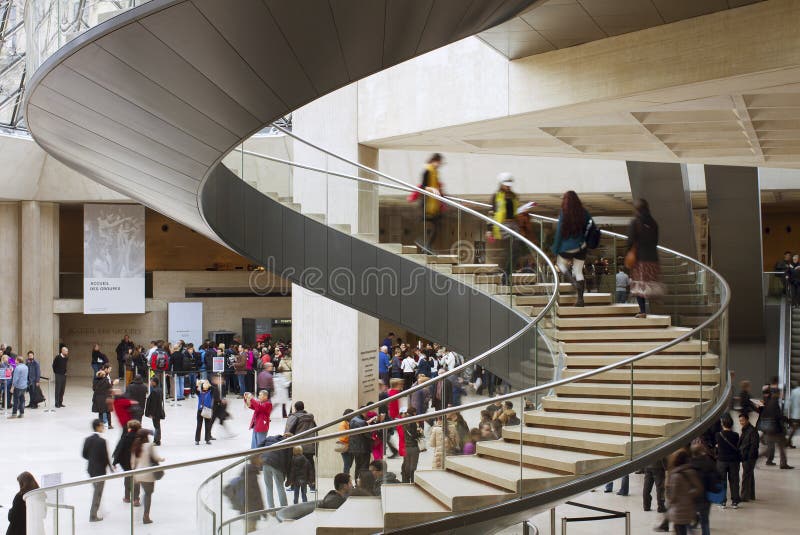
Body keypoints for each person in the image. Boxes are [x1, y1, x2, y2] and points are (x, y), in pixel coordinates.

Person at [551, 191, 591, 307]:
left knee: (560, 263)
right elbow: (590, 226)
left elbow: (559, 233)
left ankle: (573, 282)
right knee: (578, 271)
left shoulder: (564, 213)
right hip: (581, 246)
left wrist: (555, 248)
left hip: (568, 247)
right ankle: (580, 300)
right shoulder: (584, 212)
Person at [626, 199, 664, 318]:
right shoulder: (653, 223)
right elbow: (655, 241)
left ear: (636, 209)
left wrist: (629, 253)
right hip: (653, 258)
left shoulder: (635, 222)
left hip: (640, 259)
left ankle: (642, 311)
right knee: (651, 282)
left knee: (639, 285)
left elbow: (630, 241)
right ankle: (655, 297)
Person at [667, 449, 703, 535]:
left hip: (678, 511)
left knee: (680, 530)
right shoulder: (691, 472)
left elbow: (673, 497)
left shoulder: (675, 476)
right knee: (686, 529)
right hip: (689, 508)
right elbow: (699, 488)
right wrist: (689, 495)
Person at [82, 419, 113, 522]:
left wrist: (92, 459)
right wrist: (110, 467)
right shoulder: (102, 441)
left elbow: (84, 454)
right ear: (98, 427)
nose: (103, 428)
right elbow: (105, 457)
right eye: (102, 426)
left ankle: (97, 510)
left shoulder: (87, 439)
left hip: (91, 469)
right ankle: (93, 515)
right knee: (97, 492)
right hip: (100, 471)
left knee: (97, 491)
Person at [131, 428, 164, 524]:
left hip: (138, 473)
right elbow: (156, 457)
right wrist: (162, 459)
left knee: (144, 492)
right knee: (148, 494)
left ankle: (136, 499)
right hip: (148, 474)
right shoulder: (149, 446)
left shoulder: (135, 446)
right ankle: (146, 516)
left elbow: (133, 463)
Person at [415, 153, 444, 254]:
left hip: (434, 205)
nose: (439, 165)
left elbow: (439, 190)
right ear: (434, 161)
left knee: (437, 225)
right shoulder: (427, 171)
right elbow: (422, 187)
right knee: (427, 224)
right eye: (439, 162)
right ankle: (423, 243)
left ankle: (427, 246)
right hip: (426, 204)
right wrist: (431, 189)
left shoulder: (435, 173)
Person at [761, 386, 793, 469]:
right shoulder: (774, 402)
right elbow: (778, 416)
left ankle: (768, 460)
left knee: (770, 447)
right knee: (782, 446)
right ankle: (783, 464)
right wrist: (788, 420)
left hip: (769, 428)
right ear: (777, 394)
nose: (780, 394)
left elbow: (764, 414)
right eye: (779, 393)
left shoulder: (768, 401)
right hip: (776, 429)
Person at [286, 401, 317, 485]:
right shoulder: (311, 418)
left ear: (295, 408)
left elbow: (287, 432)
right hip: (310, 445)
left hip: (297, 447)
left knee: (294, 465)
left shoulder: (293, 417)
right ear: (303, 407)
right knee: (310, 464)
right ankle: (312, 484)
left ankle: (293, 484)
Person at [690, 442, 718, 535]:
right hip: (706, 497)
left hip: (693, 497)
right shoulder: (710, 463)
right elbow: (717, 477)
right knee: (705, 521)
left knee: (688, 520)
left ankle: (692, 528)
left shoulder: (689, 464)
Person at [112, 419, 142, 505]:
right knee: (136, 479)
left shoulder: (125, 437)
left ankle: (127, 497)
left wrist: (115, 462)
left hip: (126, 462)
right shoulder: (141, 438)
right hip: (137, 462)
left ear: (129, 428)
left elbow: (119, 449)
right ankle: (136, 499)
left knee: (127, 478)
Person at [715, 414, 741, 508]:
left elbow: (718, 446)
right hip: (734, 461)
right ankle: (735, 501)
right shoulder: (736, 435)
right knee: (734, 481)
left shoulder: (718, 435)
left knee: (722, 481)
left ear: (722, 424)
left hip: (722, 461)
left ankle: (723, 501)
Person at [261, 433, 291, 509]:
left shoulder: (270, 438)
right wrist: (286, 475)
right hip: (277, 465)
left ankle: (271, 509)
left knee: (268, 487)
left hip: (265, 462)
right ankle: (284, 509)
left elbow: (259, 446)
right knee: (280, 487)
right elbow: (288, 461)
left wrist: (263, 457)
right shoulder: (288, 443)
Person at [738, 412, 758, 502]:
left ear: (747, 420)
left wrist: (749, 457)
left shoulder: (752, 431)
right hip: (746, 456)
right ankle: (751, 495)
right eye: (740, 421)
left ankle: (744, 496)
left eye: (742, 420)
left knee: (746, 476)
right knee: (750, 475)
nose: (741, 422)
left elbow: (754, 445)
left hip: (749, 457)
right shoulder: (745, 429)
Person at [348, 409, 372, 477]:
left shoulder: (352, 420)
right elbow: (367, 434)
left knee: (358, 466)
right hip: (363, 448)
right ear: (363, 412)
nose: (367, 415)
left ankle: (357, 482)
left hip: (355, 449)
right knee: (364, 467)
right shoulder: (362, 422)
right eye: (366, 413)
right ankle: (363, 483)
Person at [401, 407, 422, 483]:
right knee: (413, 467)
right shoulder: (413, 420)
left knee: (407, 465)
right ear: (413, 412)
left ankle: (405, 481)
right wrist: (419, 432)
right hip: (413, 446)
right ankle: (412, 482)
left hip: (406, 446)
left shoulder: (404, 420)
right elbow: (414, 434)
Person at [145, 377, 165, 445]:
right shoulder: (160, 390)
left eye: (151, 381)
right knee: (157, 426)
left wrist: (151, 414)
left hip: (156, 412)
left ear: (154, 382)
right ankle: (157, 440)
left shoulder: (154, 391)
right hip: (159, 410)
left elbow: (153, 404)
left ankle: (156, 441)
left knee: (156, 426)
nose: (150, 383)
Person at [195, 380, 214, 445]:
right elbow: (195, 389)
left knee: (207, 425)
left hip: (207, 410)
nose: (205, 387)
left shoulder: (210, 392)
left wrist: (209, 383)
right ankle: (197, 440)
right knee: (199, 425)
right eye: (204, 385)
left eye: (206, 385)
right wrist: (198, 384)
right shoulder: (200, 393)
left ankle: (207, 439)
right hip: (200, 410)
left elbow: (213, 388)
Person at [338, 409, 354, 475]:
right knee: (347, 464)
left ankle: (346, 476)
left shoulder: (351, 422)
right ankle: (345, 478)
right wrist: (352, 435)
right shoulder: (343, 424)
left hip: (351, 446)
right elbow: (343, 436)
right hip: (344, 446)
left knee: (349, 464)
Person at [788, 380, 800, 448]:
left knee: (793, 429)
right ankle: (788, 441)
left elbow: (790, 402)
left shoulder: (794, 391)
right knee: (794, 429)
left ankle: (788, 442)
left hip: (795, 414)